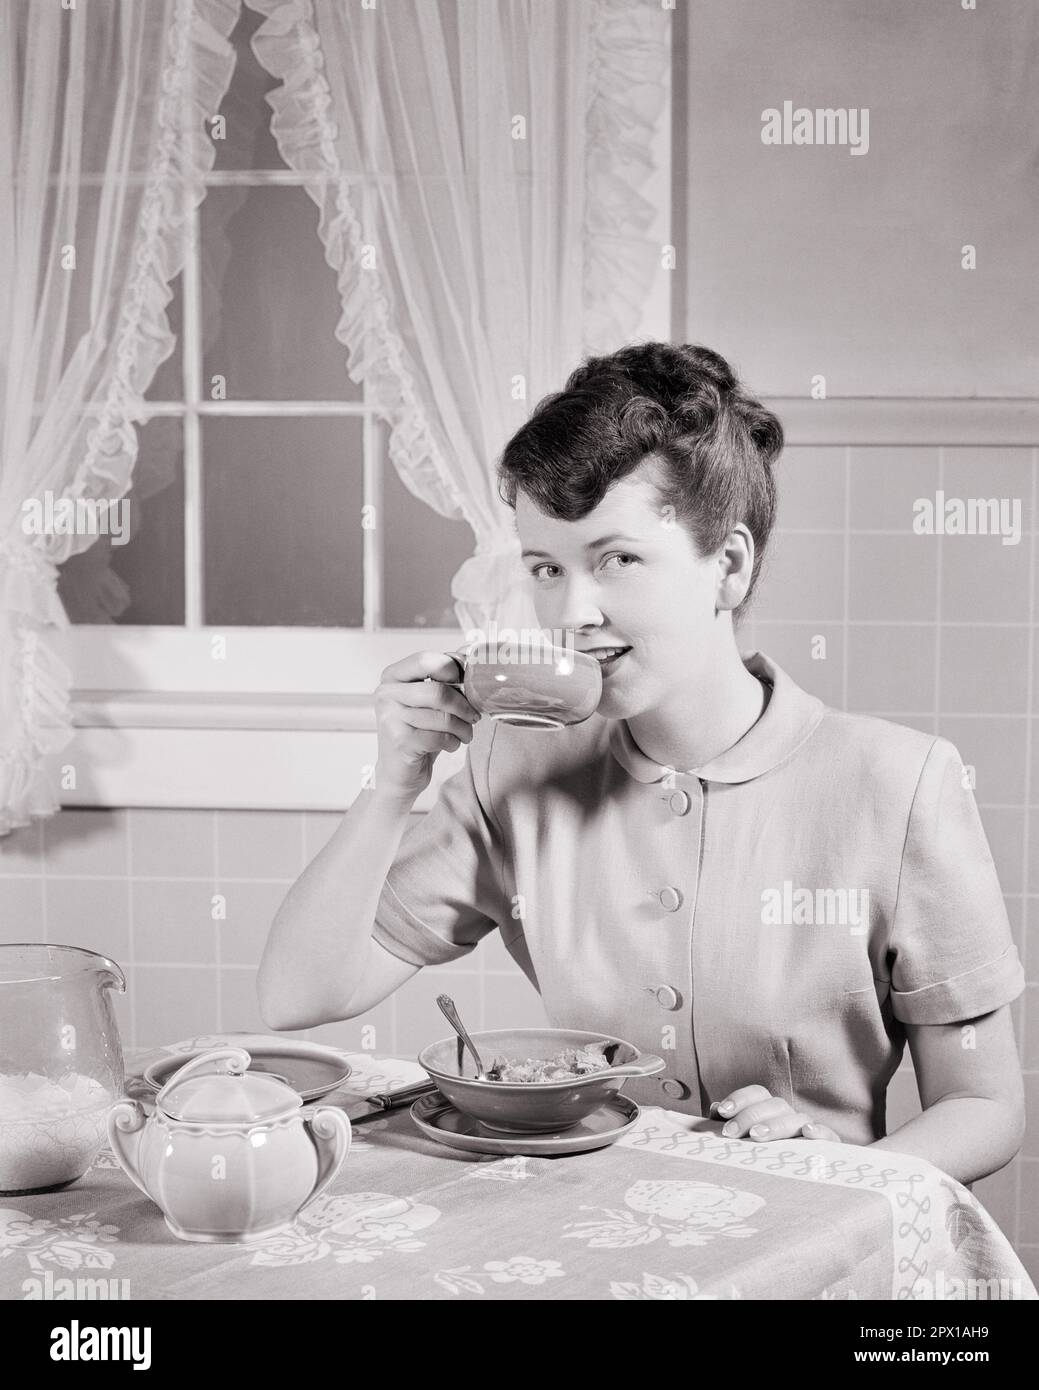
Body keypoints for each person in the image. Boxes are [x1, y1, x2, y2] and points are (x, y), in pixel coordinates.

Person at [258, 342, 1025, 1185]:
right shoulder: (513, 765)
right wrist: (394, 782)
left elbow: (985, 1108)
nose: (574, 611)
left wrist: (841, 1173)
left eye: (616, 560)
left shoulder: (898, 784)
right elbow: (300, 998)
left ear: (726, 566)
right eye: (547, 568)